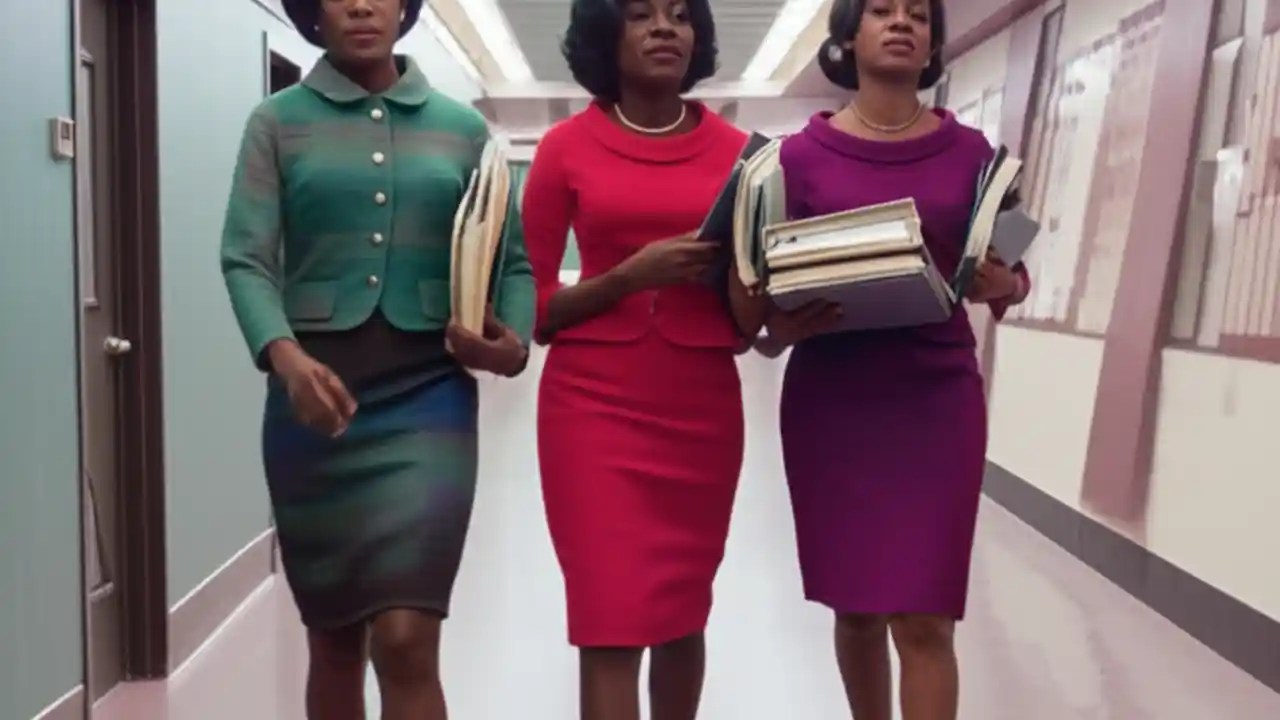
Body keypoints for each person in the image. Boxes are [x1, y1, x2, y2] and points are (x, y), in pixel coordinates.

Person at [219, 1, 533, 718]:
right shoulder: (276, 122)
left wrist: (510, 342)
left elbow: (513, 264)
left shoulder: (461, 128)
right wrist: (286, 359)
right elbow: (245, 257)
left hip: (430, 397)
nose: (361, 4)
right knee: (334, 638)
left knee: (406, 638)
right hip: (315, 403)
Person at [766, 1, 1030, 719]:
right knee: (854, 611)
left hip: (935, 398)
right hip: (833, 400)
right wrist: (779, 323)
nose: (901, 22)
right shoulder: (794, 159)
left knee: (924, 617)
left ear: (934, 44)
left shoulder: (979, 156)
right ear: (848, 36)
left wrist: (1003, 282)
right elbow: (764, 288)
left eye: (918, 13)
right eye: (881, 10)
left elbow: (1015, 264)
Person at [521, 1, 766, 718]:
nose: (665, 28)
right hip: (591, 410)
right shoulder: (564, 148)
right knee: (610, 622)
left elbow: (753, 302)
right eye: (641, 14)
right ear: (607, 35)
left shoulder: (743, 154)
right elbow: (530, 308)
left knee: (684, 613)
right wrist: (627, 278)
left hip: (700, 407)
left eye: (680, 15)